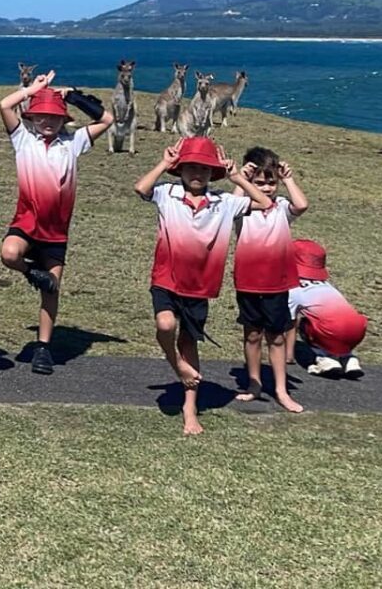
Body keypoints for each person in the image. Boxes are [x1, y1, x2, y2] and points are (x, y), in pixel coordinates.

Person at [133, 137, 272, 434]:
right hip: (166, 278)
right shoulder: (167, 193)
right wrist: (163, 163)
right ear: (180, 169)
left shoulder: (225, 201)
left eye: (205, 169)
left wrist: (237, 177)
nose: (197, 173)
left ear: (213, 173)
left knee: (189, 342)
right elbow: (141, 188)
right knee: (165, 324)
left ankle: (190, 408)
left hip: (199, 286)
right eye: (191, 167)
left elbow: (265, 203)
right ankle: (179, 366)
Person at [0, 70, 113, 374]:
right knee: (9, 253)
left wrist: (73, 95)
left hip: (56, 232)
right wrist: (33, 89)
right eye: (41, 116)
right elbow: (5, 105)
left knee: (52, 289)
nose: (47, 121)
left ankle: (43, 348)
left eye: (54, 116)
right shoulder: (23, 140)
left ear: (63, 119)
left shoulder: (73, 142)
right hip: (26, 224)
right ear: (32, 117)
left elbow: (107, 120)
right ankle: (31, 272)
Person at [229, 147, 309, 413]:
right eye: (260, 183)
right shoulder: (242, 207)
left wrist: (288, 179)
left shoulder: (282, 207)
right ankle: (254, 384)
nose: (266, 188)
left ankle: (281, 390)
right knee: (252, 335)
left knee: (276, 337)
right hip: (248, 281)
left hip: (276, 283)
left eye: (271, 183)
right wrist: (240, 179)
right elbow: (229, 208)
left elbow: (302, 205)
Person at [288, 239, 369, 377]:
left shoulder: (293, 288)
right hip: (358, 328)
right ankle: (348, 358)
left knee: (305, 325)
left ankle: (324, 358)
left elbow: (290, 324)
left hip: (331, 329)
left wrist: (289, 355)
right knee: (333, 327)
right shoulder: (326, 285)